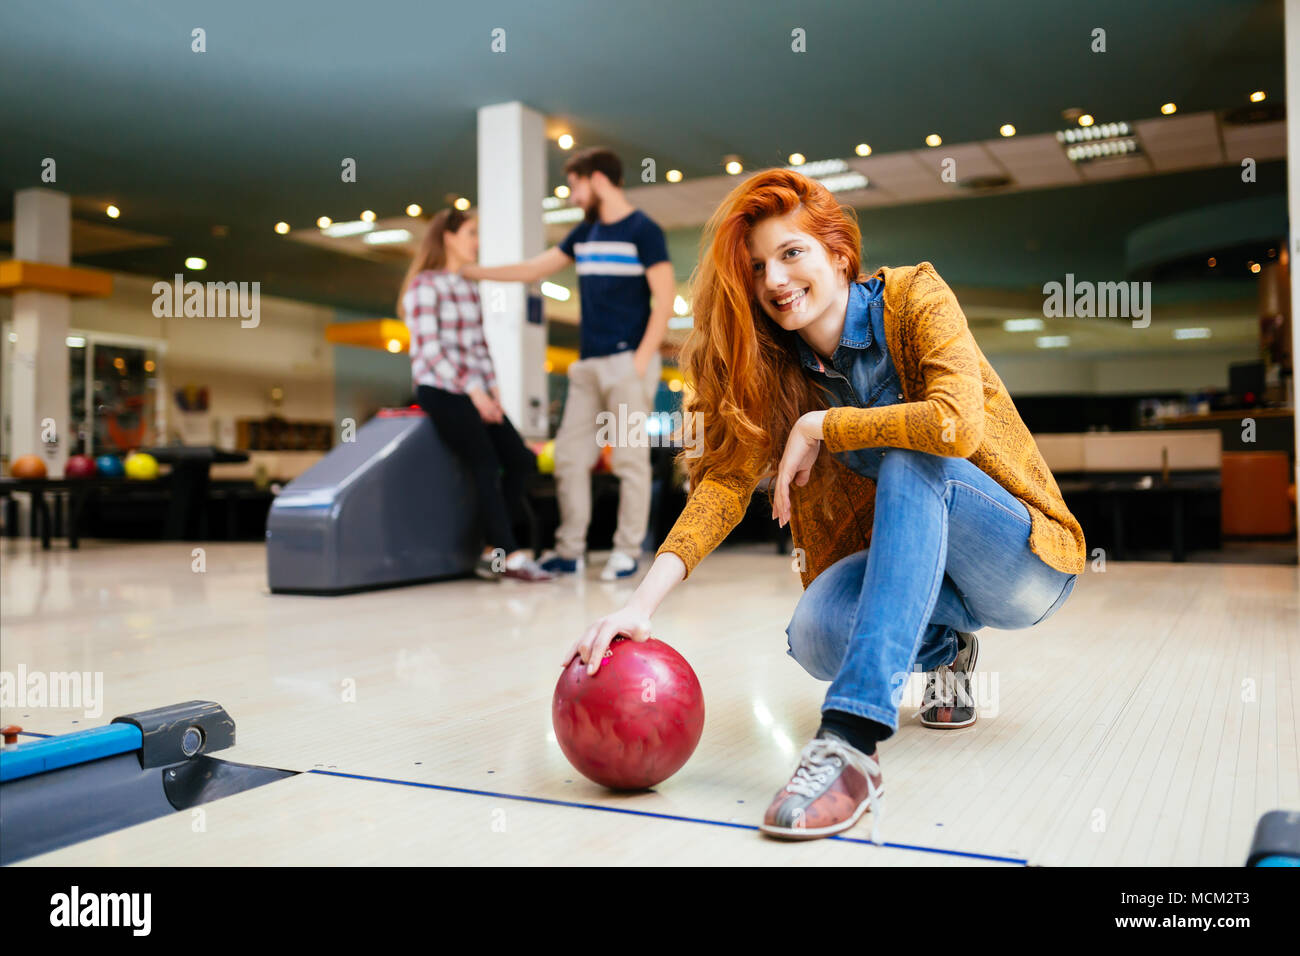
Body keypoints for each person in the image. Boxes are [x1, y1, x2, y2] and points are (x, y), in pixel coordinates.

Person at [562, 169, 1085, 842]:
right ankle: (948, 649)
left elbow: (955, 425)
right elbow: (722, 487)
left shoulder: (913, 298)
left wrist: (823, 427)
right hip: (925, 576)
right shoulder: (778, 376)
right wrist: (640, 603)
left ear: (838, 254)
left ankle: (849, 744)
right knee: (816, 632)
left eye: (791, 252)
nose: (775, 279)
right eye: (757, 267)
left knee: (913, 451)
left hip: (1021, 564)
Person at [460, 147, 674, 581]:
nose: (572, 196)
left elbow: (665, 299)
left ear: (596, 179)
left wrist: (640, 361)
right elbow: (532, 269)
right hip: (587, 367)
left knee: (629, 461)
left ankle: (627, 552)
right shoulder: (585, 233)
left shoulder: (643, 231)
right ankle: (570, 551)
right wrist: (471, 272)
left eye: (574, 186)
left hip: (627, 364)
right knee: (571, 459)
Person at [398, 208, 553, 582]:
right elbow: (431, 348)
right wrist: (474, 392)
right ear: (448, 236)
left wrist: (494, 394)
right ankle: (509, 554)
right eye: (470, 233)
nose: (476, 242)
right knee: (484, 463)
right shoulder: (424, 286)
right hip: (441, 389)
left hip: (476, 391)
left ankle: (488, 548)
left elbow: (480, 347)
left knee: (519, 459)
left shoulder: (468, 287)